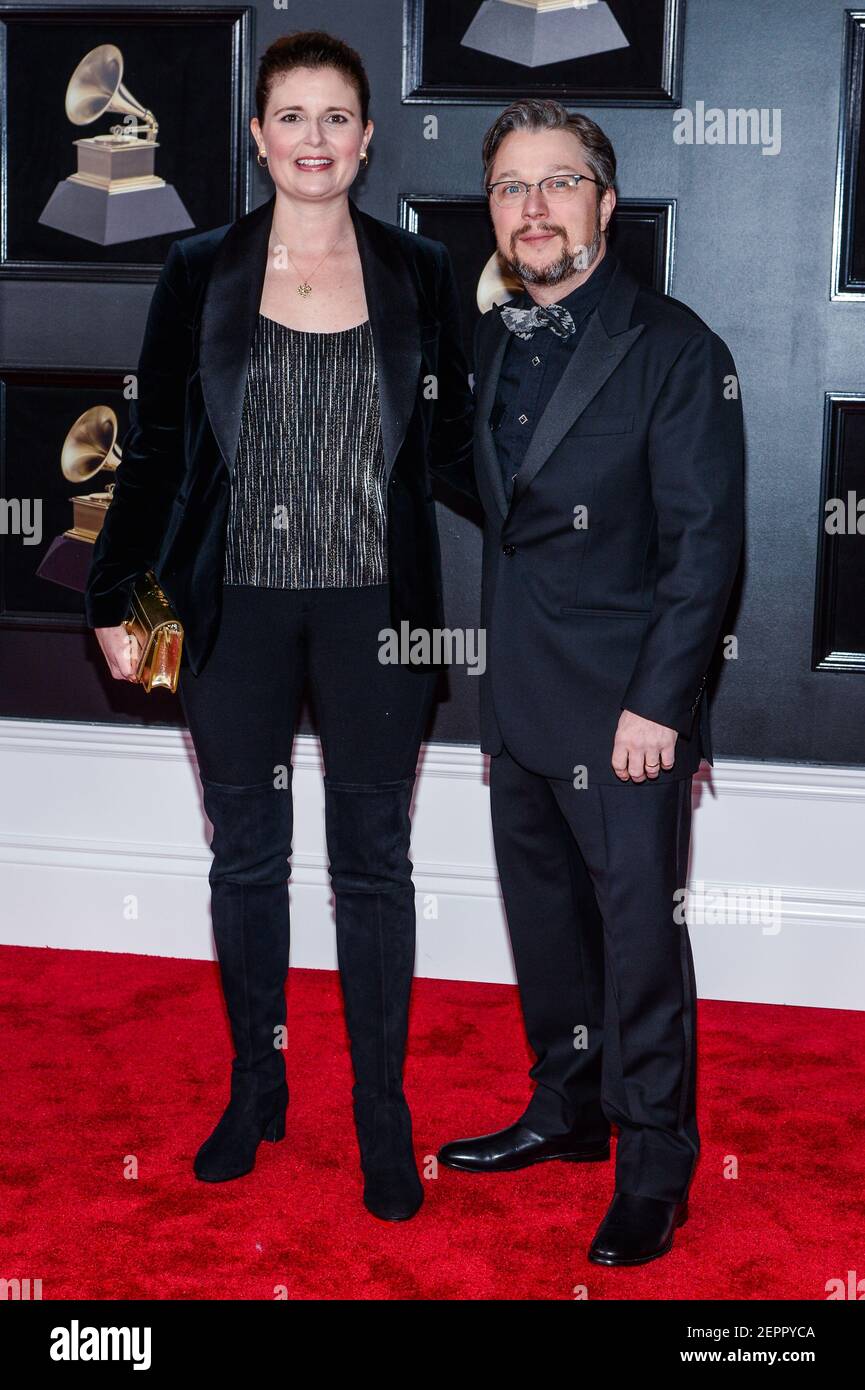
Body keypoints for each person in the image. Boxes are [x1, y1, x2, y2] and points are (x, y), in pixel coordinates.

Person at [84, 30, 476, 1222]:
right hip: (233, 608)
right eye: (291, 117)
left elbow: (459, 449)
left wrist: (587, 502)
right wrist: (115, 595)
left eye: (335, 117)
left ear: (366, 137)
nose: (314, 139)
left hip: (376, 615)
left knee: (374, 869)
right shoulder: (198, 268)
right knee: (244, 859)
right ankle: (257, 1087)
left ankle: (380, 1110)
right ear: (258, 138)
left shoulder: (418, 270)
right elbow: (152, 452)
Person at [437, 100, 745, 1265]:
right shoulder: (496, 340)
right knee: (549, 928)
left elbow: (705, 549)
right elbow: (502, 507)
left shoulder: (677, 351)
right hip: (517, 698)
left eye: (559, 183)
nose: (534, 208)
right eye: (512, 188)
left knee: (637, 941)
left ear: (606, 205)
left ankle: (655, 1163)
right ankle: (565, 1111)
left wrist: (662, 705)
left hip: (627, 714)